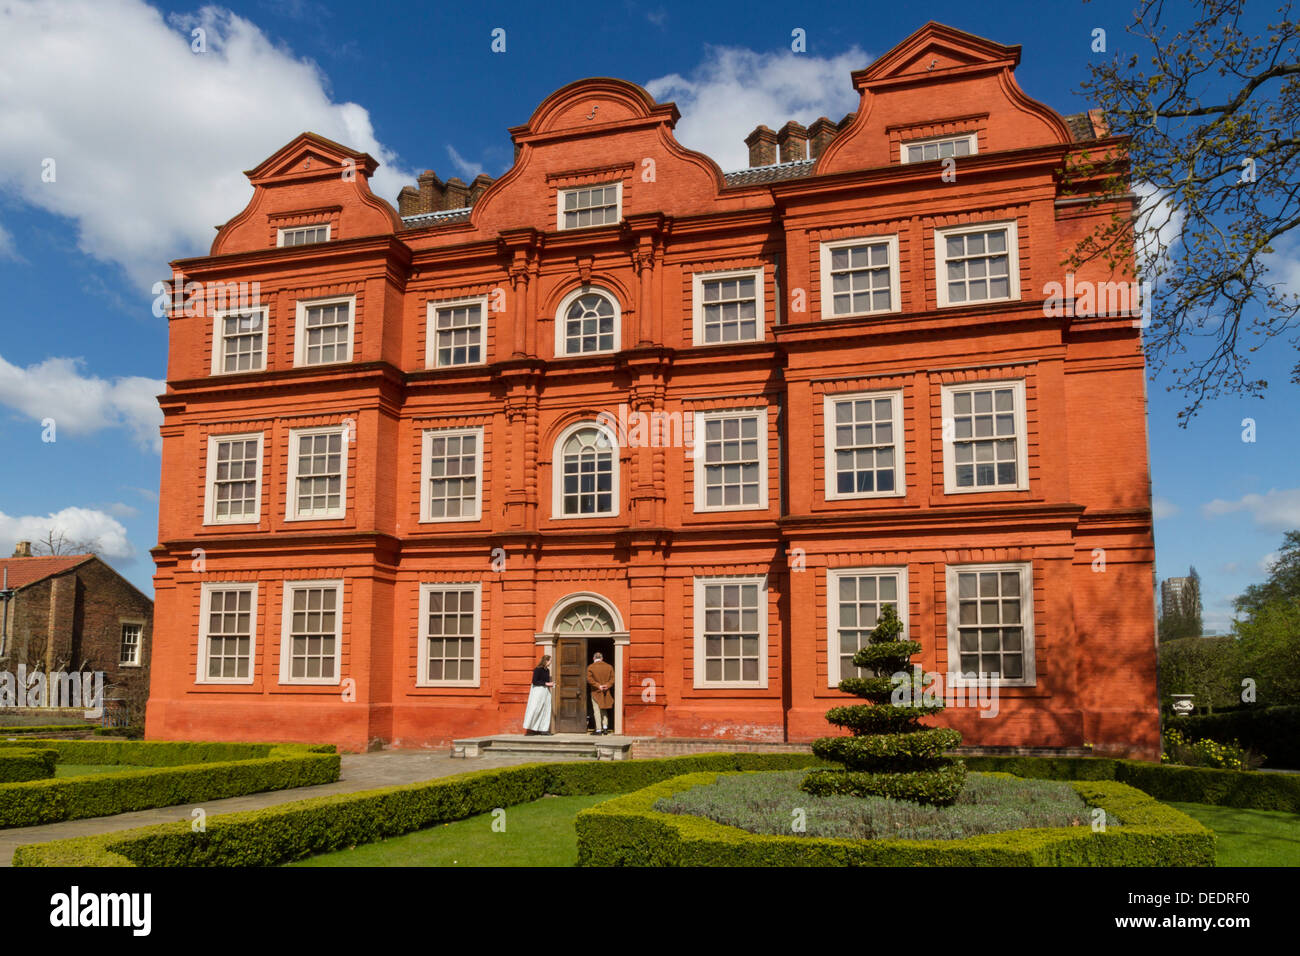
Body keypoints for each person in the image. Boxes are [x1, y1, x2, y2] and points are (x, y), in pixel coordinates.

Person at [523, 654, 554, 735]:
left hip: (545, 692)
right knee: (535, 709)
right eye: (550, 660)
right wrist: (546, 684)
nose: (551, 662)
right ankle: (532, 728)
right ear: (546, 661)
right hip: (537, 692)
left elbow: (546, 682)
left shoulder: (547, 670)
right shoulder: (537, 669)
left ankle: (544, 729)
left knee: (545, 710)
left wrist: (550, 684)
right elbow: (535, 681)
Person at [586, 651, 615, 735]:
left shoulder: (590, 667)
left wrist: (598, 686)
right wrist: (607, 685)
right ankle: (605, 728)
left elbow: (589, 679)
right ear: (602, 658)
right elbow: (612, 679)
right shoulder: (609, 667)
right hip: (606, 691)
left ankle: (599, 729)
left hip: (596, 691)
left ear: (593, 658)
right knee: (604, 709)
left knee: (597, 710)